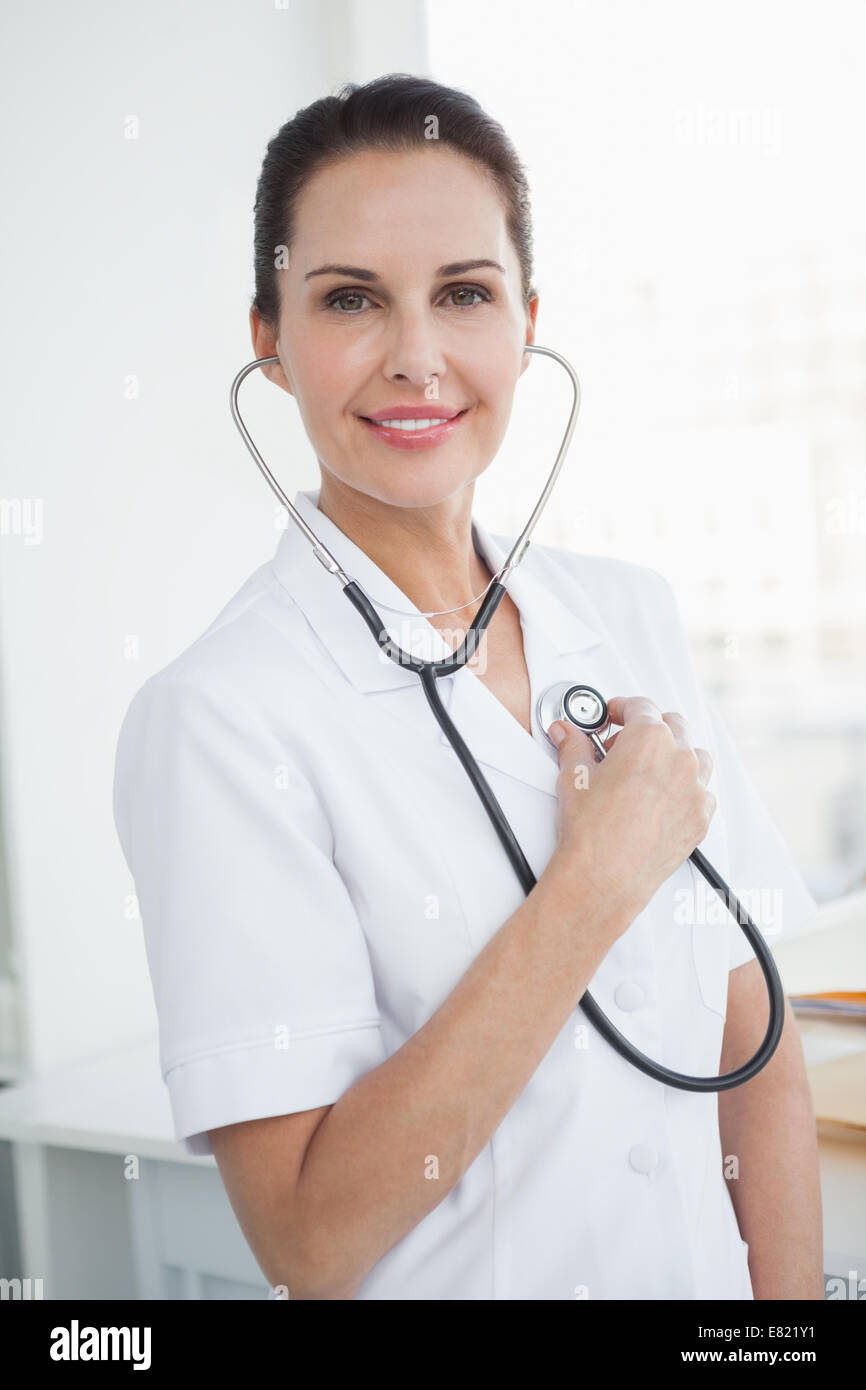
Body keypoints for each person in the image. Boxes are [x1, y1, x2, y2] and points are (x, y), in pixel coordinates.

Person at [112, 73, 824, 1301]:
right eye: (350, 299)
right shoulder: (219, 720)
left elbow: (752, 1049)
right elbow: (309, 1239)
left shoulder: (627, 616)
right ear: (268, 342)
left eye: (463, 293)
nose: (416, 357)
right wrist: (590, 885)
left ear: (524, 321)